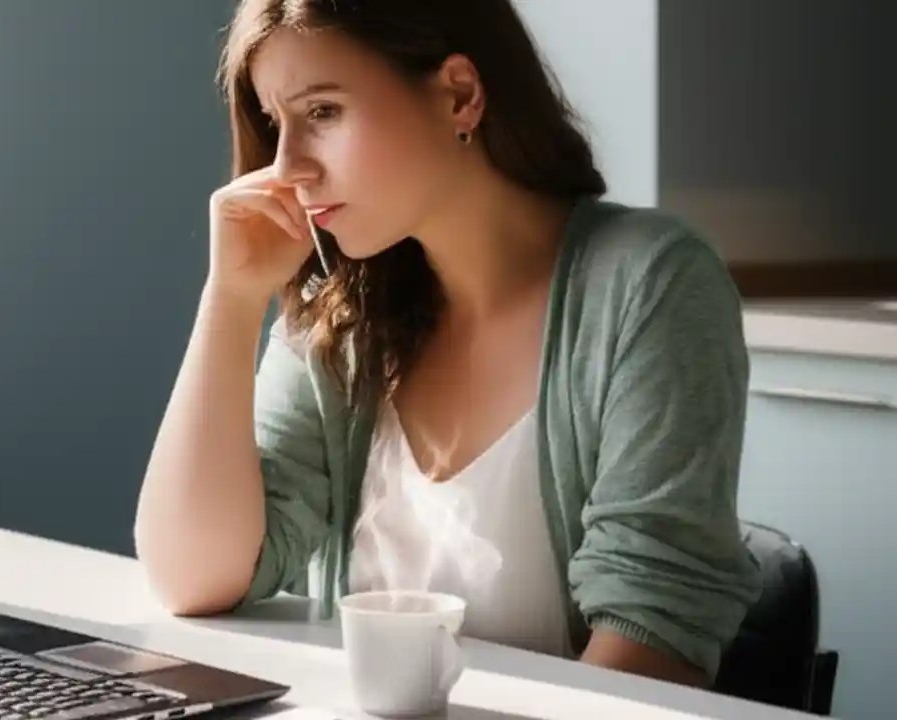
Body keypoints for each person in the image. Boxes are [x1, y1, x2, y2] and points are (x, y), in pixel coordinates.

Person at [134, 0, 761, 688]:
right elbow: (194, 577)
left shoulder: (650, 283)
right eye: (274, 123)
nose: (288, 169)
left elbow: (655, 640)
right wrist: (231, 299)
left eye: (322, 113)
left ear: (459, 95)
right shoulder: (342, 318)